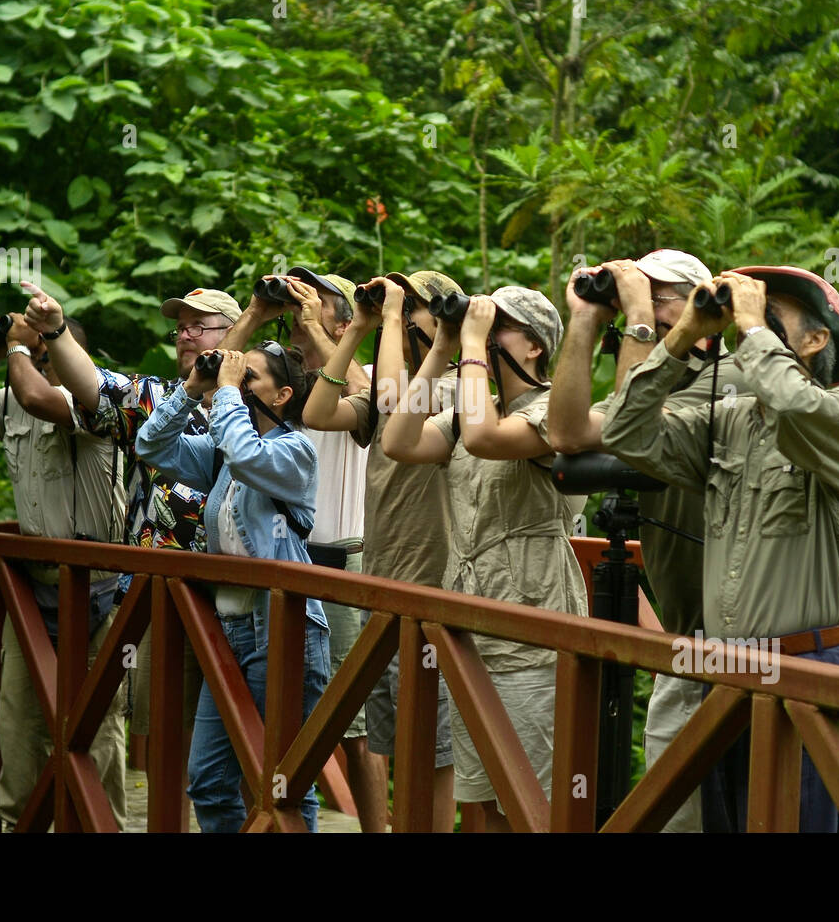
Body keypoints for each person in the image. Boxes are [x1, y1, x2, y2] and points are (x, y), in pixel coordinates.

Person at [598, 265, 839, 832]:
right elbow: (626, 433)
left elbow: (796, 409)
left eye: (773, 310)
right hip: (723, 675)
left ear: (815, 339)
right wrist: (680, 335)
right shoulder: (728, 422)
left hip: (803, 672)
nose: (748, 311)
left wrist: (750, 329)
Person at [548, 249, 749, 832]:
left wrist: (638, 314)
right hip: (686, 642)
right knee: (674, 817)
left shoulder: (730, 383)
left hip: (751, 645)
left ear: (697, 303)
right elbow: (566, 432)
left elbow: (620, 434)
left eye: (655, 292)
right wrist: (586, 319)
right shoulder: (655, 383)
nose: (639, 301)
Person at [383, 286, 587, 832]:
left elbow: (483, 438)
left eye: (501, 325)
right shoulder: (472, 409)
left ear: (535, 347)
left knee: (531, 799)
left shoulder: (553, 412)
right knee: (484, 798)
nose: (489, 333)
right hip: (471, 626)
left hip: (531, 631)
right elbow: (398, 442)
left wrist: (472, 342)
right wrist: (442, 347)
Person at [23, 285, 242, 764]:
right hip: (161, 597)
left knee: (250, 739)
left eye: (198, 326)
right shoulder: (159, 399)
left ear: (232, 334)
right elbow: (95, 388)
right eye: (180, 326)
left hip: (247, 600)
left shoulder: (262, 405)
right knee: (168, 739)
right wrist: (56, 330)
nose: (184, 335)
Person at [0, 312, 127, 831]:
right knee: (16, 728)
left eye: (46, 354)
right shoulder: (16, 400)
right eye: (35, 354)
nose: (34, 362)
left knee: (97, 735)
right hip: (29, 594)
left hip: (96, 593)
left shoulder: (103, 402)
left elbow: (41, 397)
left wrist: (20, 346)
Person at [134, 341, 331, 832]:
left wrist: (224, 392)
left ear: (283, 395)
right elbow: (151, 445)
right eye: (238, 376)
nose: (238, 384)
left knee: (283, 783)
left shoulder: (296, 451)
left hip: (283, 629)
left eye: (251, 378)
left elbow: (246, 455)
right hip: (229, 631)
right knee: (208, 780)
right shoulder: (223, 454)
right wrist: (192, 390)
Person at [221, 266, 388, 831]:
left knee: (354, 724)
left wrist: (323, 331)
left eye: (316, 300)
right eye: (295, 300)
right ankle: (264, 822)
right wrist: (253, 315)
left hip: (336, 563)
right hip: (274, 568)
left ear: (346, 319)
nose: (300, 309)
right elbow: (216, 378)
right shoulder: (275, 381)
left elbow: (374, 404)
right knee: (264, 715)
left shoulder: (355, 381)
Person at [302, 270, 462, 832]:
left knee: (436, 753)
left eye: (414, 306)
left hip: (438, 593)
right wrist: (357, 329)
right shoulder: (389, 391)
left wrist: (389, 318)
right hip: (386, 586)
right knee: (400, 743)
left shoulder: (459, 392)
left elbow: (398, 404)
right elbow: (318, 413)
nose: (401, 312)